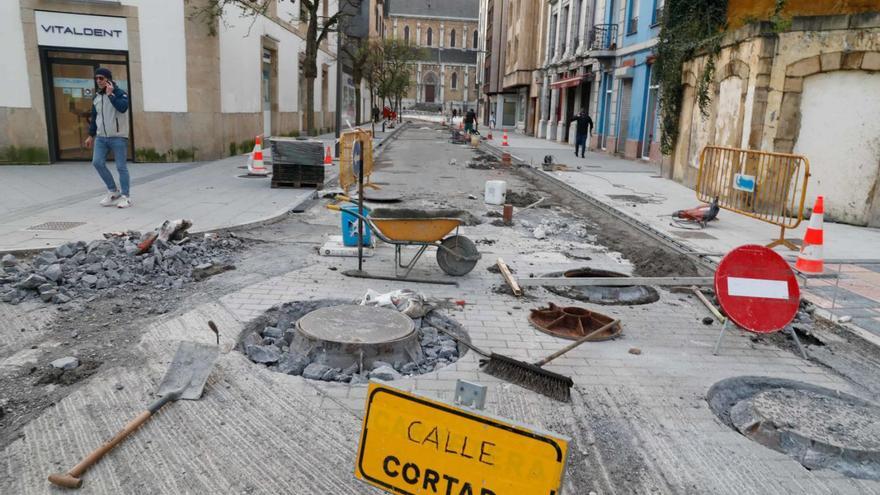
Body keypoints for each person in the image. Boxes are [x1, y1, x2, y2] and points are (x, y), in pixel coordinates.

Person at [85, 67, 131, 208]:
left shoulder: (120, 93)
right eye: (97, 78)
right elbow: (95, 118)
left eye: (101, 78)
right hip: (101, 137)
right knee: (97, 163)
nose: (98, 81)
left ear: (108, 79)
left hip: (118, 137)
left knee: (121, 167)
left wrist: (111, 95)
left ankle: (125, 196)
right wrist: (90, 135)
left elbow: (123, 108)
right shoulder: (97, 97)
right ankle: (113, 191)